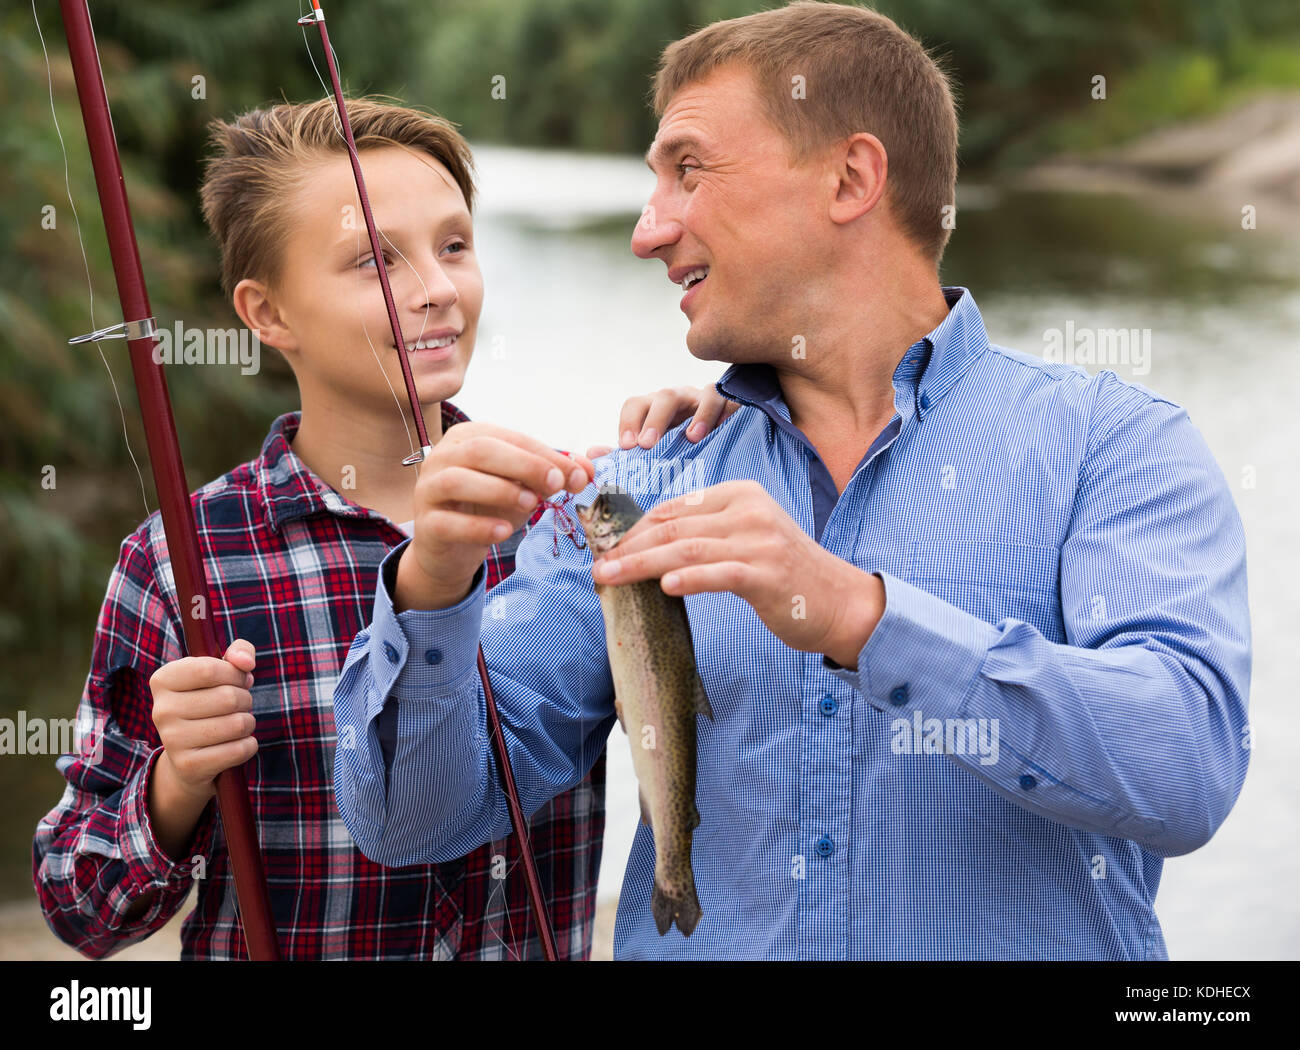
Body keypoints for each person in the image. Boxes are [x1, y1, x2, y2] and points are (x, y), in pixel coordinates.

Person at [331, 2, 1251, 959]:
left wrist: (863, 617)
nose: (648, 231)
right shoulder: (638, 486)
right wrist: (430, 591)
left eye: (688, 171)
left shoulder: (1114, 444)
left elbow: (1186, 766)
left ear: (850, 178)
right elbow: (410, 822)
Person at [32, 94, 733, 960]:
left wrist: (730, 437)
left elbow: (743, 718)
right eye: (375, 262)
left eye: (454, 246)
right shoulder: (182, 561)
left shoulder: (578, 521)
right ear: (267, 313)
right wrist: (175, 783)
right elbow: (82, 909)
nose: (436, 290)